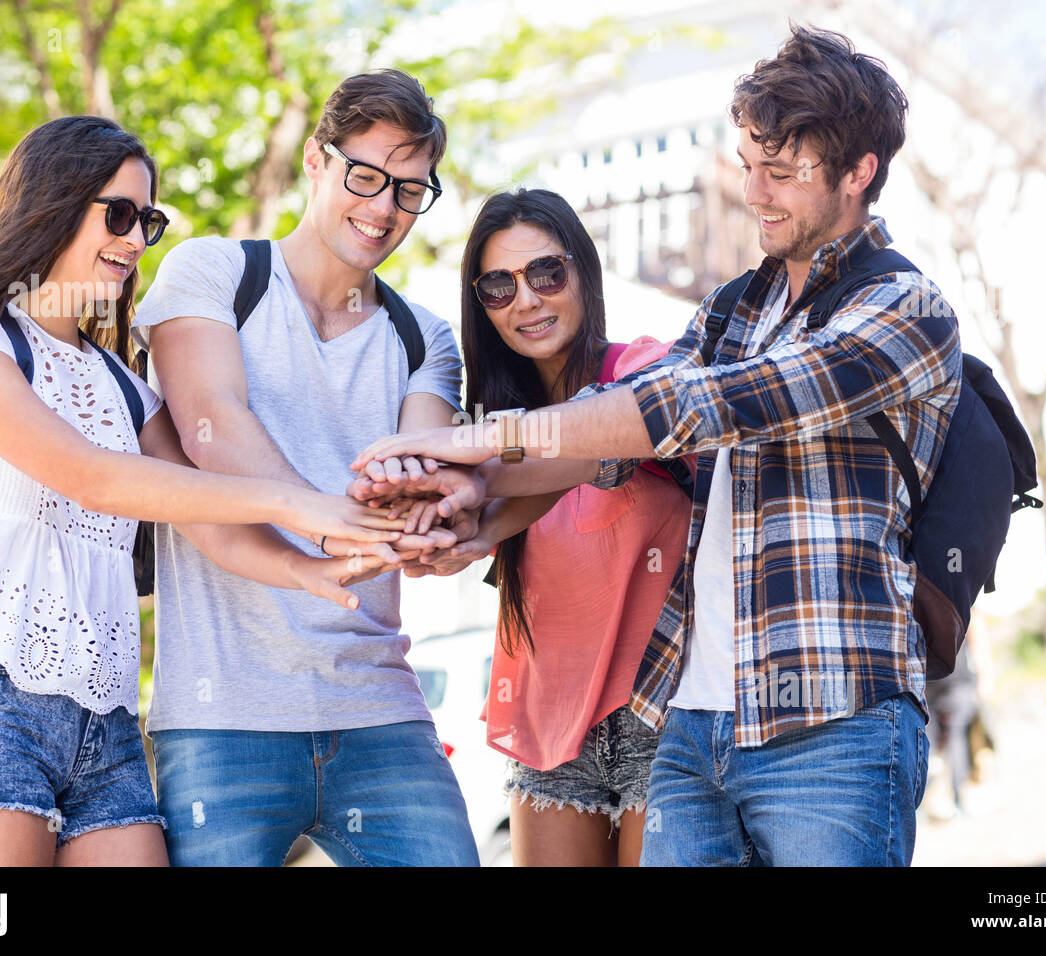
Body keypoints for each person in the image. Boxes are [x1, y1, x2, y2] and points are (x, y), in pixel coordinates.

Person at [352, 25, 959, 866]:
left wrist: (488, 437)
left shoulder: (905, 310)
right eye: (749, 163)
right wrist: (469, 505)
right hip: (690, 720)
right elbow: (611, 446)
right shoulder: (732, 311)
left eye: (781, 171)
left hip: (833, 717)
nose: (754, 192)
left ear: (859, 173)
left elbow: (698, 405)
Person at [0, 115, 405, 867]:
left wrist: (313, 571)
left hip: (106, 717)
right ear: (52, 203)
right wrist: (298, 503)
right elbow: (90, 475)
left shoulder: (125, 388)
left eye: (146, 221)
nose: (134, 239)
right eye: (118, 214)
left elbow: (206, 519)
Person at [133, 69, 482, 866]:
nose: (384, 207)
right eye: (366, 176)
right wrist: (335, 527)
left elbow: (418, 475)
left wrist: (428, 516)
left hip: (379, 707)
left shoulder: (425, 337)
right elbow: (212, 427)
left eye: (409, 189)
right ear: (318, 165)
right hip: (223, 714)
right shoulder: (212, 271)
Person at [398, 188, 691, 866]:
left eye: (546, 273)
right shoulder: (487, 430)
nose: (526, 300)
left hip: (666, 722)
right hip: (548, 726)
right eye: (498, 286)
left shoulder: (643, 372)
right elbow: (463, 516)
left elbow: (606, 439)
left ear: (581, 273)